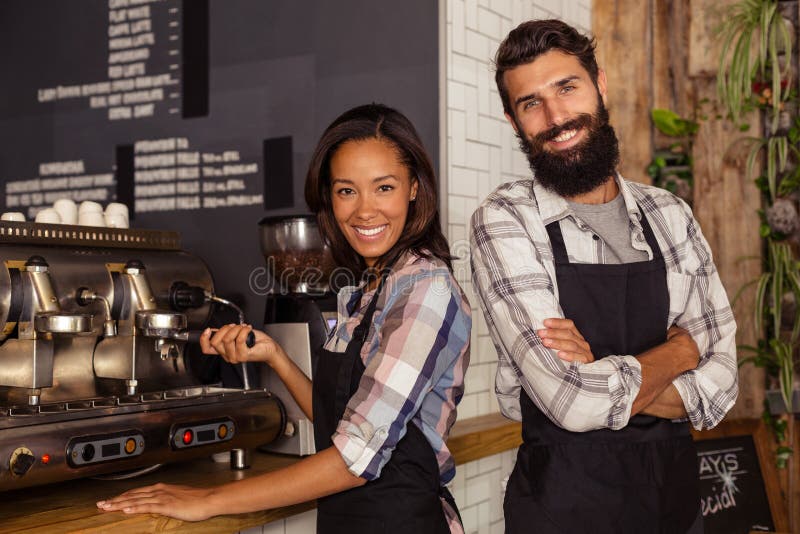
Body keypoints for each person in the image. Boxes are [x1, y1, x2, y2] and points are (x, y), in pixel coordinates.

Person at [97, 104, 472, 534]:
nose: (364, 211)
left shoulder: (426, 289)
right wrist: (275, 356)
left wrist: (210, 500)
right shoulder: (372, 288)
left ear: (414, 188)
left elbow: (355, 457)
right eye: (346, 191)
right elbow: (346, 422)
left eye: (383, 187)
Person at [469, 19, 738, 533]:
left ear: (600, 85)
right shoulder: (504, 219)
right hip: (562, 510)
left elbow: (723, 384)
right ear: (513, 120)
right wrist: (681, 352)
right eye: (531, 103)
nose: (556, 116)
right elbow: (570, 402)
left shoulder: (670, 214)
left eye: (567, 88)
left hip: (674, 509)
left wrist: (601, 368)